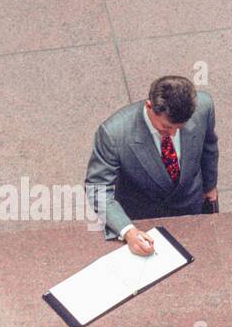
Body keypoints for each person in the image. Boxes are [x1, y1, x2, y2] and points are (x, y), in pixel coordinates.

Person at [84, 75, 219, 256]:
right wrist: (128, 231)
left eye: (179, 128)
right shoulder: (114, 133)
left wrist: (210, 186)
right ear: (149, 107)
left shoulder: (204, 106)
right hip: (143, 215)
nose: (172, 134)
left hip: (191, 203)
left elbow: (209, 146)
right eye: (166, 127)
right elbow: (97, 189)